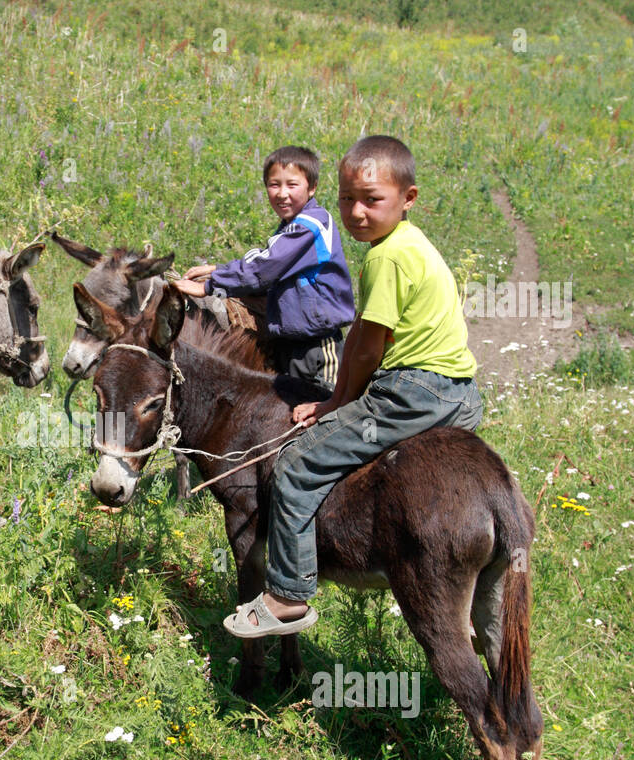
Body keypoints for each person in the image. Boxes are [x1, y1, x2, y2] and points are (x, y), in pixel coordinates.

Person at [223, 135, 482, 638]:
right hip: (460, 395)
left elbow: (367, 345)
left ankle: (287, 595)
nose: (356, 212)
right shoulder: (412, 243)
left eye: (371, 199)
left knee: (296, 467)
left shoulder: (385, 257)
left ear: (408, 198)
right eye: (346, 199)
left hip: (413, 390)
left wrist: (336, 403)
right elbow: (364, 329)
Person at [172, 145, 354, 398]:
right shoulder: (290, 228)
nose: (282, 194)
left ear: (312, 188)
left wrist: (208, 286)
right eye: (274, 185)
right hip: (290, 343)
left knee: (323, 412)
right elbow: (267, 258)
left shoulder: (311, 225)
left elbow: (266, 267)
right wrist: (220, 269)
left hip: (317, 346)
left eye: (292, 185)